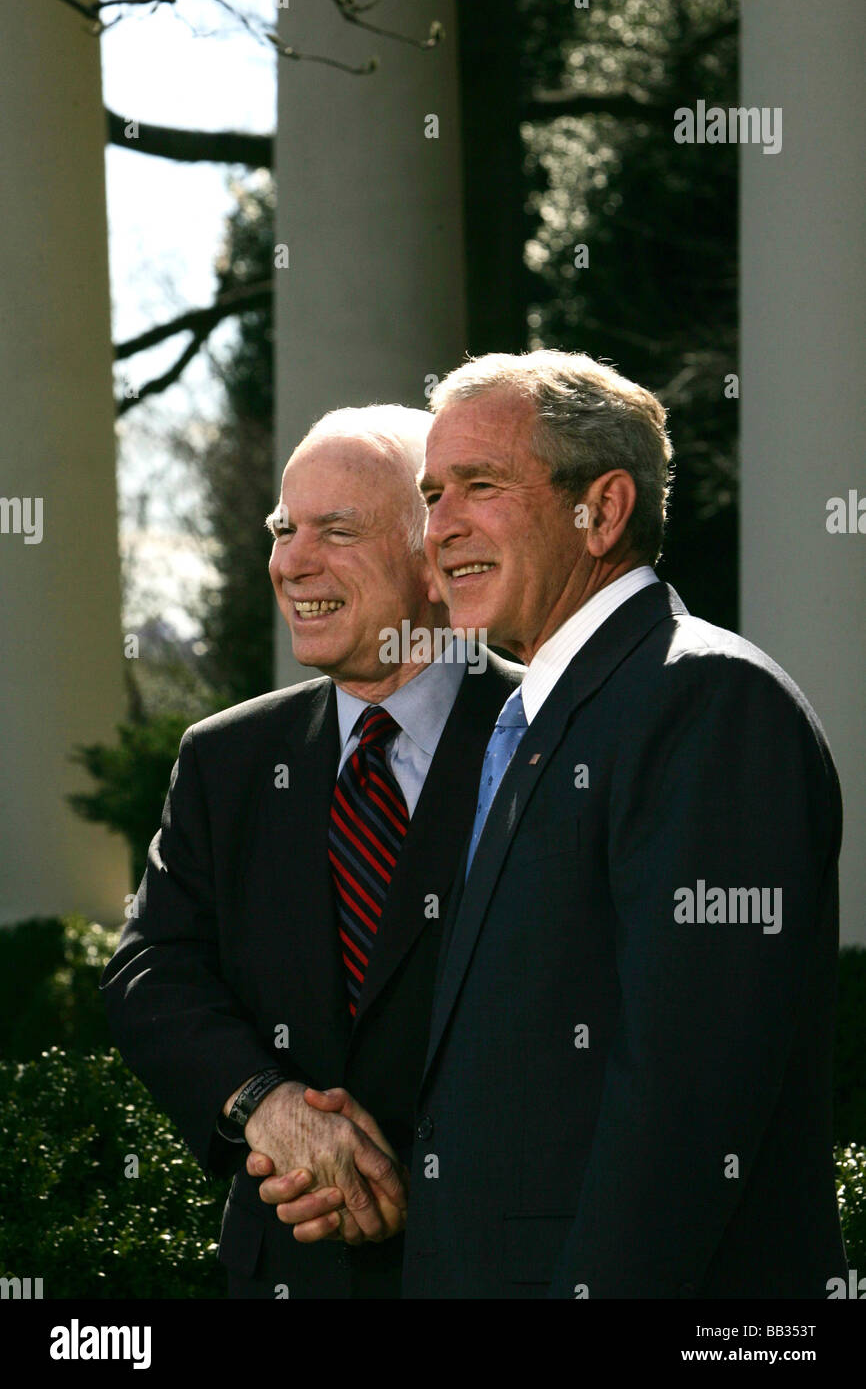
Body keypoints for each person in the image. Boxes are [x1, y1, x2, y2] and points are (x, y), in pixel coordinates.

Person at [398, 349, 847, 1298]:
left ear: (601, 510)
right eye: (433, 495)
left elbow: (688, 1102)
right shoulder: (532, 722)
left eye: (480, 485)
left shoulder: (708, 700)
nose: (439, 529)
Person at [100, 404, 521, 1299]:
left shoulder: (546, 735)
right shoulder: (226, 759)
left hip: (497, 1266)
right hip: (287, 1268)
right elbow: (150, 972)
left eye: (338, 530)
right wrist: (267, 1106)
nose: (292, 562)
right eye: (285, 528)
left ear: (435, 558)